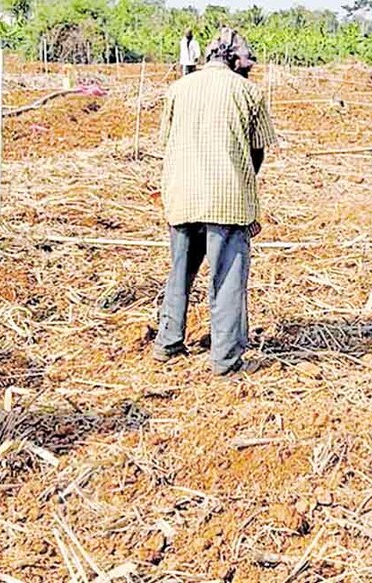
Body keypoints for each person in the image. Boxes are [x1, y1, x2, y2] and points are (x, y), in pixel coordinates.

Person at [154, 28, 275, 375]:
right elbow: (257, 151)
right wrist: (244, 185)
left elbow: (167, 140)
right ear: (235, 60)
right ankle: (224, 359)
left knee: (179, 272)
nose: (250, 67)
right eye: (247, 61)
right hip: (226, 198)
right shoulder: (248, 91)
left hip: (181, 194)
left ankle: (168, 342)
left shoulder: (178, 89)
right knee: (227, 278)